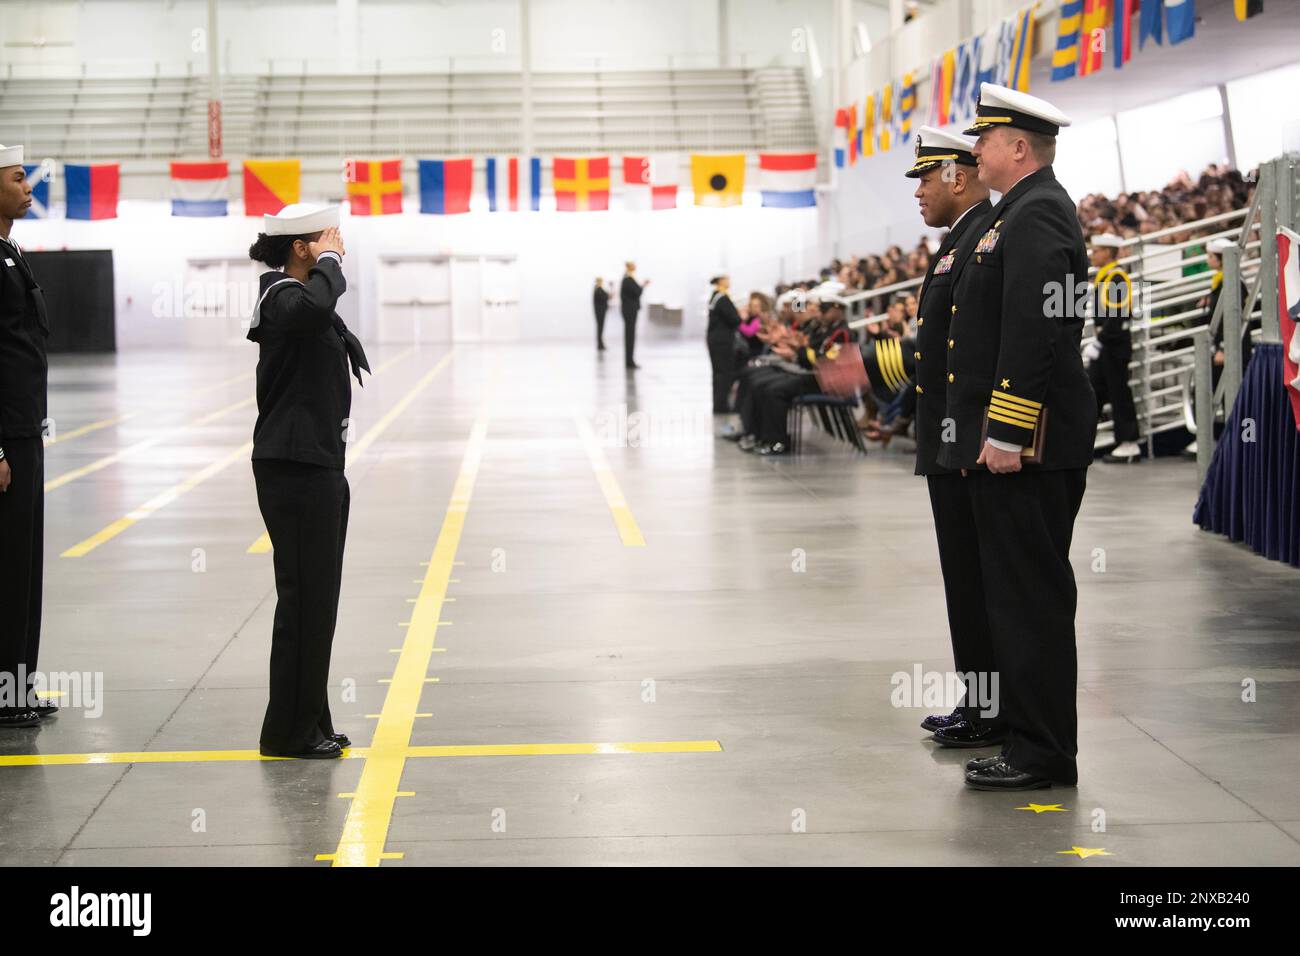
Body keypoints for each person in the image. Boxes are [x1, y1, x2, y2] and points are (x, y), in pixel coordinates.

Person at [941, 84, 1097, 791]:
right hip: (1018, 443)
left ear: (1018, 147)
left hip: (1031, 447)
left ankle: (1043, 754)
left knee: (1030, 599)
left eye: (985, 139)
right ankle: (1028, 739)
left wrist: (1004, 429)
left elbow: (1033, 332)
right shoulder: (1019, 212)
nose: (974, 151)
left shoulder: (1037, 214)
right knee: (1015, 596)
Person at [247, 203, 370, 760]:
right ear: (301, 248)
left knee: (318, 601)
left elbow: (321, 311)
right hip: (295, 469)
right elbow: (319, 303)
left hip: (316, 463)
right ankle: (288, 731)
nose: (337, 245)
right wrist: (329, 261)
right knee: (304, 600)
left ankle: (310, 718)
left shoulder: (293, 299)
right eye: (324, 239)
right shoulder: (281, 296)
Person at [896, 127, 998, 747]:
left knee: (980, 583)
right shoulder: (962, 241)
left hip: (966, 445)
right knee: (964, 581)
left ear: (958, 178)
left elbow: (980, 356)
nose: (919, 193)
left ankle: (992, 710)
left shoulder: (985, 238)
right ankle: (979, 701)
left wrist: (969, 442)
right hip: (949, 442)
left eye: (925, 179)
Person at [0, 143, 56, 728]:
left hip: (24, 429)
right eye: (18, 179)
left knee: (26, 564)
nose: (28, 187)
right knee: (8, 564)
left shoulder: (11, 253)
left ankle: (17, 685)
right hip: (4, 437)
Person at [1085, 234, 1141, 463]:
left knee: (1119, 392)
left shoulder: (1116, 277)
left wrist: (1101, 340)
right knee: (1093, 392)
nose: (1093, 254)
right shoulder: (1105, 276)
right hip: (1106, 344)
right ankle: (1085, 440)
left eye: (1097, 250)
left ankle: (1129, 443)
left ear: (1108, 252)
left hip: (1113, 345)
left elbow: (1117, 315)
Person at [706, 275, 741, 416]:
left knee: (718, 373)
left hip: (716, 339)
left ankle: (719, 403)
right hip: (722, 341)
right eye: (726, 279)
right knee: (723, 373)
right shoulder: (722, 298)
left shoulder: (716, 296)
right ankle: (721, 405)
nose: (729, 281)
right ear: (720, 281)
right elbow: (734, 319)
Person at [620, 261, 649, 370]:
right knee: (630, 336)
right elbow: (638, 291)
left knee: (630, 336)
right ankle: (629, 361)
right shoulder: (628, 279)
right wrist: (644, 285)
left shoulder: (627, 278)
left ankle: (629, 360)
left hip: (629, 311)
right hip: (630, 311)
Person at [592, 277, 609, 352]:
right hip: (600, 312)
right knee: (600, 328)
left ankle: (600, 344)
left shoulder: (599, 289)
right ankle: (600, 344)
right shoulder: (598, 289)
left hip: (601, 311)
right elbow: (604, 297)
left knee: (600, 328)